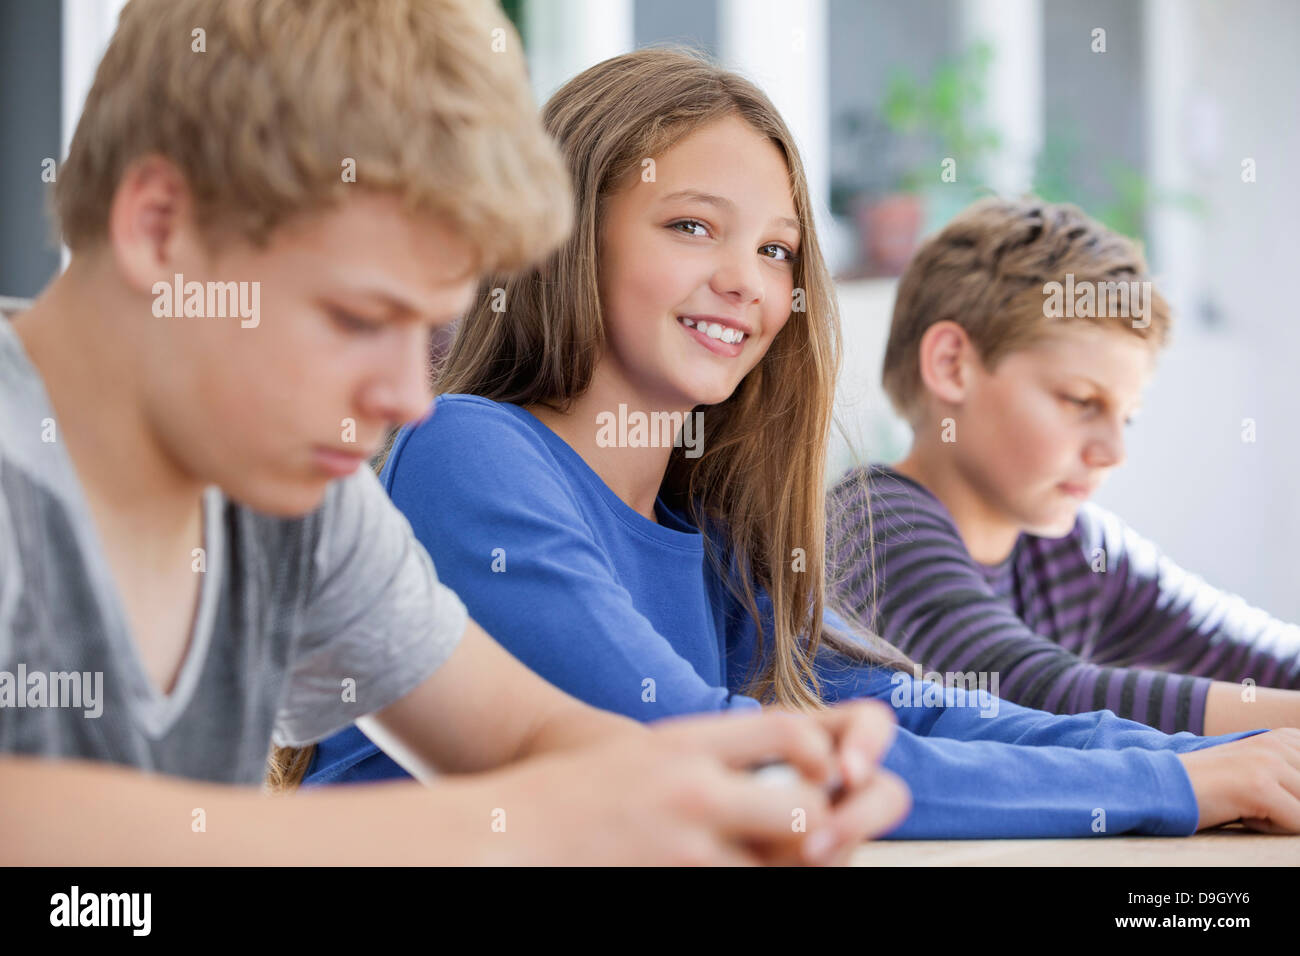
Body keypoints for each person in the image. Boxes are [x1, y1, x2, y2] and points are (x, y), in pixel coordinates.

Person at [294, 48, 1300, 839]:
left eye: (777, 250)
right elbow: (707, 752)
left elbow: (918, 712)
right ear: (561, 234)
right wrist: (1167, 777)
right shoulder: (471, 452)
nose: (748, 280)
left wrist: (1235, 758)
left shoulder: (712, 528)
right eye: (692, 226)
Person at [0, 0, 908, 867]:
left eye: (426, 326)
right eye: (360, 316)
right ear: (160, 229)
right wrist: (528, 824)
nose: (409, 398)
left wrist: (748, 782)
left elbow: (531, 735)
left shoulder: (291, 500)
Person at [827, 196, 1300, 737]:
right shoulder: (873, 527)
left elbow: (1259, 655)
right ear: (952, 365)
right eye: (1080, 401)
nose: (1114, 452)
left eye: (1128, 416)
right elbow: (1032, 694)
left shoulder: (1079, 551)